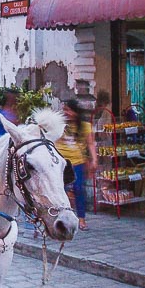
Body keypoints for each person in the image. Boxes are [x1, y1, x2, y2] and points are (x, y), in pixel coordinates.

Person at [55, 99, 97, 231]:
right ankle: (60, 217)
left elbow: (90, 144)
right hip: (61, 163)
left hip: (78, 162)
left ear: (76, 112)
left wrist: (94, 159)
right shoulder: (59, 124)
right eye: (64, 110)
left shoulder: (85, 126)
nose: (66, 113)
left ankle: (81, 219)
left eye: (69, 110)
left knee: (79, 189)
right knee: (60, 190)